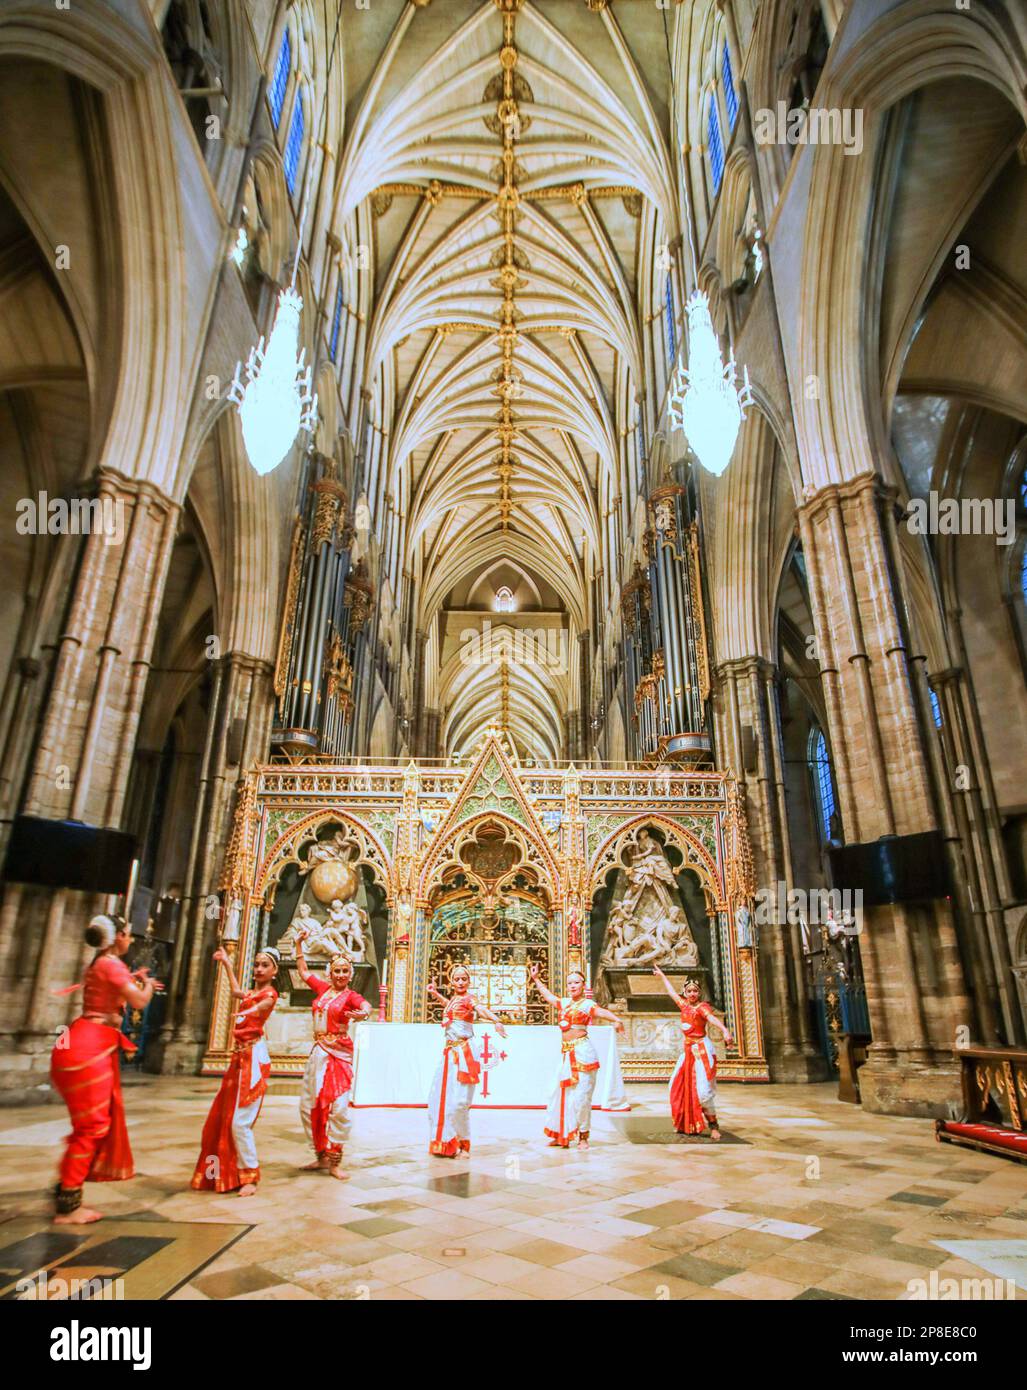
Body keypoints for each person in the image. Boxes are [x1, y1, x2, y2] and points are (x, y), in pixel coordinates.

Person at [50, 915, 163, 1224]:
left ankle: (65, 1189)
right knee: (92, 1127)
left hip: (84, 1042)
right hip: (90, 1047)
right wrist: (149, 985)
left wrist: (133, 976)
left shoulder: (104, 963)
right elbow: (139, 1001)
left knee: (88, 1125)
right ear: (117, 937)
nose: (130, 939)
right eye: (127, 934)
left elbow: (116, 989)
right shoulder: (111, 965)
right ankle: (68, 1206)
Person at [191, 945, 280, 1196]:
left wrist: (252, 1009)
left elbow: (266, 1003)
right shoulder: (252, 992)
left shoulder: (269, 993)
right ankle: (228, 1171)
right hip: (239, 1057)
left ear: (275, 971)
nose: (259, 969)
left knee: (240, 1122)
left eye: (265, 965)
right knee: (225, 1117)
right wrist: (227, 964)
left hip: (253, 1058)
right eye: (257, 964)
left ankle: (250, 1174)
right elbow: (236, 992)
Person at [294, 928, 371, 1180]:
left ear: (351, 974)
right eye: (336, 970)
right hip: (318, 1054)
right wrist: (298, 945)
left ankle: (336, 1159)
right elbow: (304, 972)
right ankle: (321, 1156)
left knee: (338, 1108)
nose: (340, 975)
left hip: (338, 1055)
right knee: (311, 1105)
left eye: (345, 971)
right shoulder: (322, 989)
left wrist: (362, 1013)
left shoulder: (351, 996)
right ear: (330, 972)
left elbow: (365, 1006)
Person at [530, 964, 624, 1150]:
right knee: (558, 1095)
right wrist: (536, 980)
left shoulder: (587, 1004)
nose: (572, 986)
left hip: (583, 1054)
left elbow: (602, 1012)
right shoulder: (565, 1003)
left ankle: (583, 1136)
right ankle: (561, 1134)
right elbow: (549, 997)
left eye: (576, 982)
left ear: (583, 985)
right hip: (566, 1054)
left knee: (581, 1097)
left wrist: (617, 1020)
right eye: (570, 983)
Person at [426, 965, 507, 1158]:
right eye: (457, 979)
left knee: (460, 1102)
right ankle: (447, 1142)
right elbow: (451, 1008)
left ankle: (463, 1143)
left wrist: (496, 1020)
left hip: (464, 1053)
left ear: (469, 981)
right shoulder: (454, 1000)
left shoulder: (470, 999)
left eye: (464, 979)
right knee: (441, 1100)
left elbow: (481, 1009)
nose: (461, 982)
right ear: (452, 982)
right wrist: (436, 994)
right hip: (449, 1054)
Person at [654, 966, 733, 1140]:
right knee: (677, 1086)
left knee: (703, 1092)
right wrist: (662, 976)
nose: (692, 994)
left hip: (701, 1051)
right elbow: (671, 993)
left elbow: (712, 1019)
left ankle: (713, 1126)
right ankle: (684, 1122)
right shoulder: (683, 1005)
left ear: (699, 993)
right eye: (689, 991)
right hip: (688, 1051)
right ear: (685, 992)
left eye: (695, 991)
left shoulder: (702, 1008)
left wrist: (725, 1031)